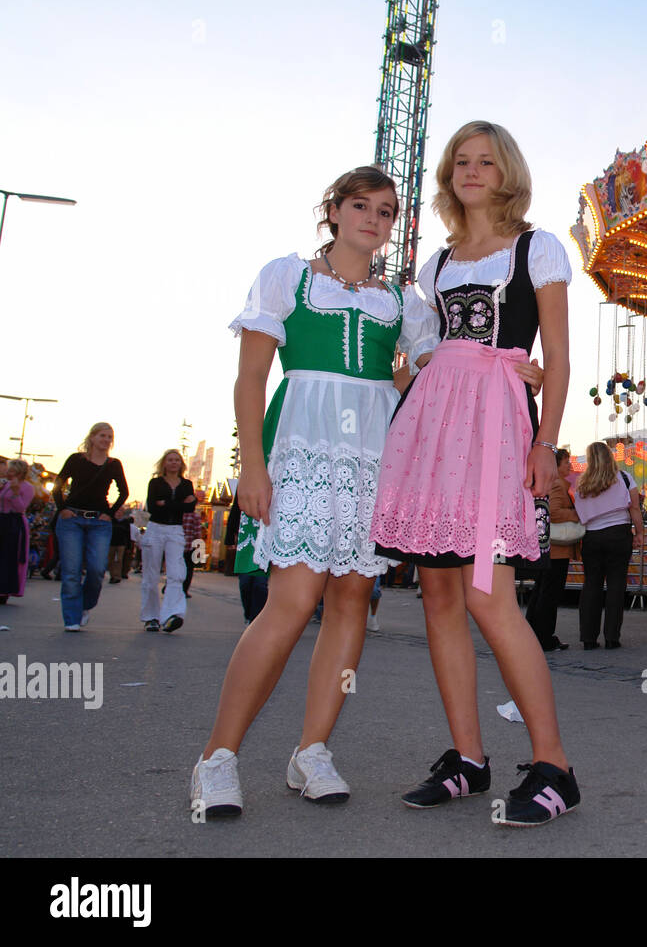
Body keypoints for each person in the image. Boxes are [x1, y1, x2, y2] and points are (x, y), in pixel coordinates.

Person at [190, 165, 441, 818]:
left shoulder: (404, 303)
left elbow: (428, 373)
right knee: (293, 599)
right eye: (361, 205)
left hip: (372, 455)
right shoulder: (286, 276)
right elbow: (250, 379)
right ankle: (218, 757)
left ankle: (312, 750)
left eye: (386, 212)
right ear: (333, 210)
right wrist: (252, 466)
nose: (373, 219)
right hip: (302, 443)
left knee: (353, 597)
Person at [368, 122, 580, 826]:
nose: (471, 170)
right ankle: (467, 756)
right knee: (437, 595)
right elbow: (431, 350)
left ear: (507, 171)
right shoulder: (437, 263)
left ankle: (554, 765)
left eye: (485, 160)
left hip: (496, 426)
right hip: (436, 428)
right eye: (461, 161)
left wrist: (546, 440)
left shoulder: (534, 248)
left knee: (490, 597)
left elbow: (559, 356)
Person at [52, 423, 128, 631]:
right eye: (102, 435)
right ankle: (71, 619)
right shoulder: (76, 459)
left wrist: (109, 514)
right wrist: (62, 509)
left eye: (109, 436)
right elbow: (59, 483)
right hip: (71, 519)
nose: (105, 439)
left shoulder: (113, 464)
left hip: (98, 521)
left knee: (96, 569)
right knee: (72, 570)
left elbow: (124, 492)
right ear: (92, 437)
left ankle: (85, 605)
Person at [573, 442, 643, 650]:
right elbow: (636, 508)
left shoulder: (582, 483)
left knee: (591, 585)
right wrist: (640, 533)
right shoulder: (624, 478)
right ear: (610, 456)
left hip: (592, 536)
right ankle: (612, 637)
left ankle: (588, 637)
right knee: (616, 585)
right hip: (619, 533)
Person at [526, 448, 578, 652]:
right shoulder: (557, 485)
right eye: (566, 462)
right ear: (557, 465)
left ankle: (534, 632)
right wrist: (576, 514)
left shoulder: (554, 484)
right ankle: (544, 636)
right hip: (557, 548)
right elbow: (553, 512)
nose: (570, 466)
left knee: (542, 591)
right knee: (549, 594)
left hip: (549, 547)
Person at [140, 449, 196, 632]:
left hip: (175, 531)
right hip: (155, 529)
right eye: (170, 460)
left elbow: (190, 508)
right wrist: (180, 503)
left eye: (177, 460)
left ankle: (172, 615)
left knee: (176, 573)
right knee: (151, 574)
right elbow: (153, 508)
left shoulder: (187, 484)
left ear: (181, 464)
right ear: (164, 463)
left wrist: (166, 503)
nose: (173, 463)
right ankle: (151, 617)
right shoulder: (155, 483)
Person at [0, 459, 35, 604]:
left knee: (9, 556)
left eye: (11, 470)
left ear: (20, 472)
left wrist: (15, 493)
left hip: (14, 523)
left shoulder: (27, 487)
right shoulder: (5, 484)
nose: (8, 473)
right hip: (1, 520)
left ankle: (5, 590)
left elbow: (21, 508)